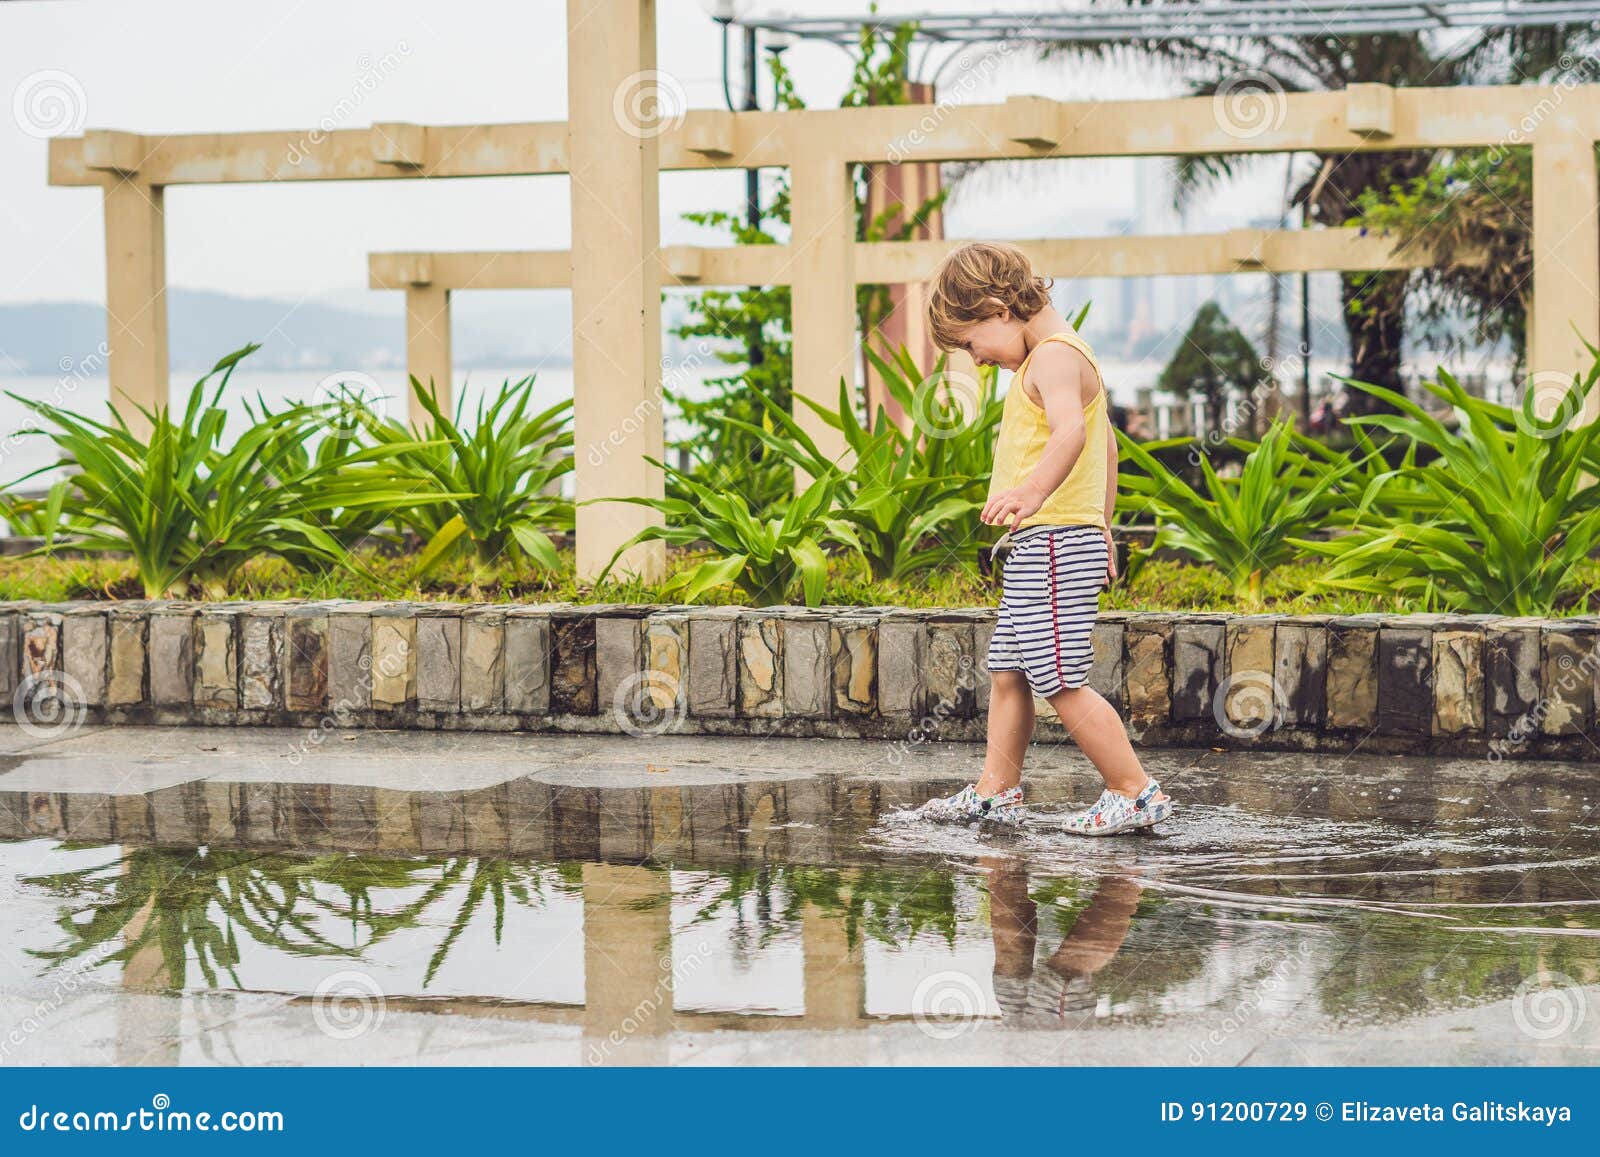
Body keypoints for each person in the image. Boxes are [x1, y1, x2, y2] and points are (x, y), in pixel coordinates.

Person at [915, 241, 1173, 835]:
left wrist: (1032, 494)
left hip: (1054, 539)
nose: (976, 360)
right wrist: (1102, 526)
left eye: (971, 343)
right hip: (1050, 540)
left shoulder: (1055, 356)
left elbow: (1072, 436)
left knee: (1057, 674)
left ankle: (1133, 791)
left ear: (998, 307)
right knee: (1009, 667)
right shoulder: (1050, 358)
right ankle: (996, 790)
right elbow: (1107, 446)